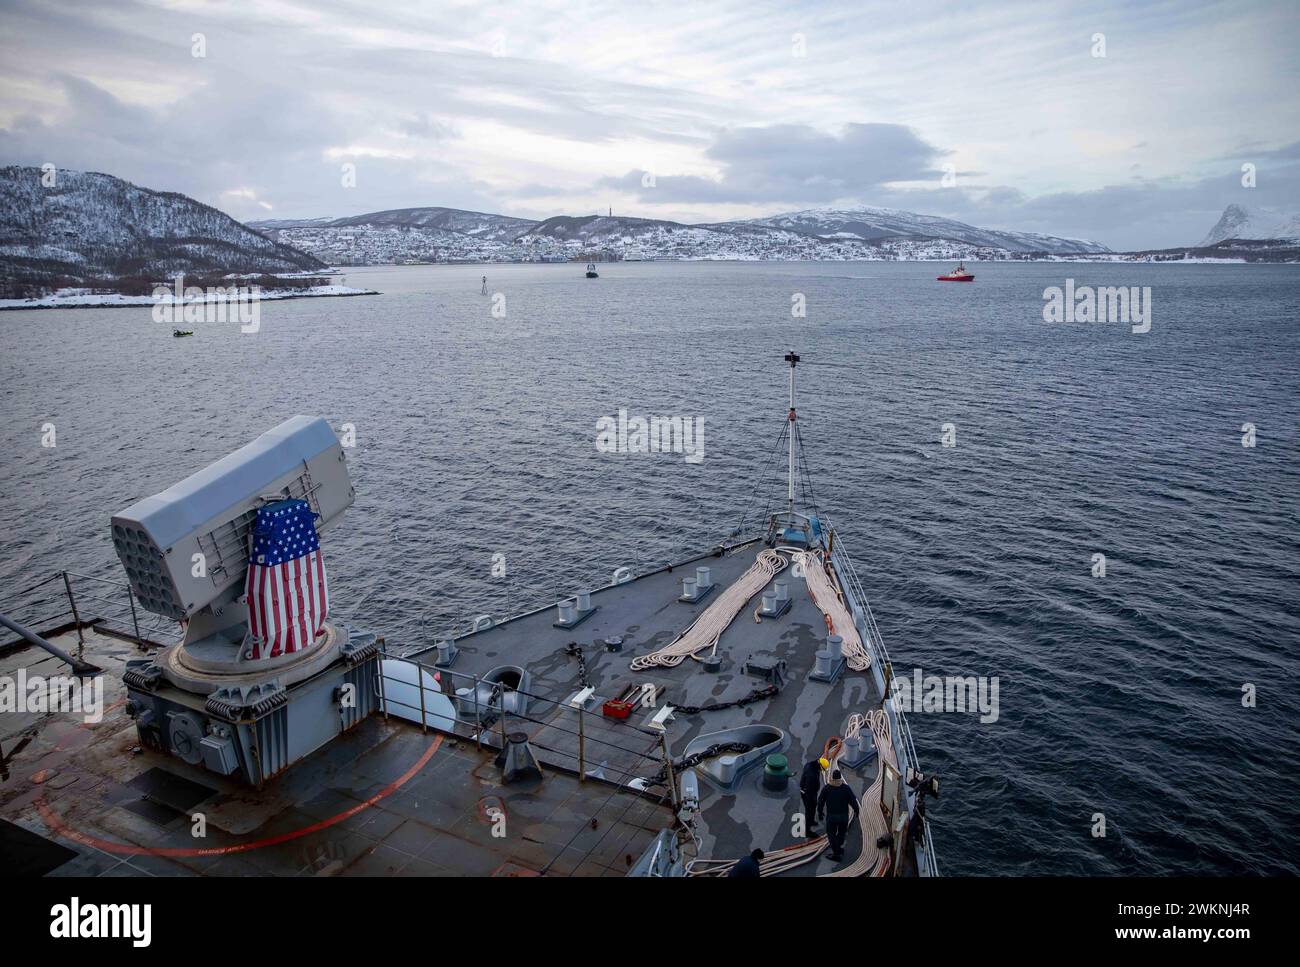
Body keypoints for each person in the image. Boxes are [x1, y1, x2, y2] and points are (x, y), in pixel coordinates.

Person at [816, 770, 860, 861]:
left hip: (832, 818)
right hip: (843, 817)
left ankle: (836, 854)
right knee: (841, 833)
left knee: (831, 835)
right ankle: (839, 848)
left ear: (832, 777)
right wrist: (857, 810)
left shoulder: (827, 788)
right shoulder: (846, 788)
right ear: (840, 777)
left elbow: (820, 801)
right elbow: (853, 800)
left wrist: (820, 812)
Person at [799, 756, 829, 836]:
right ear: (819, 766)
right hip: (808, 794)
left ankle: (811, 821)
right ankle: (807, 831)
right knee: (809, 811)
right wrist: (812, 799)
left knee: (813, 807)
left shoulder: (810, 765)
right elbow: (809, 789)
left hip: (809, 791)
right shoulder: (812, 776)